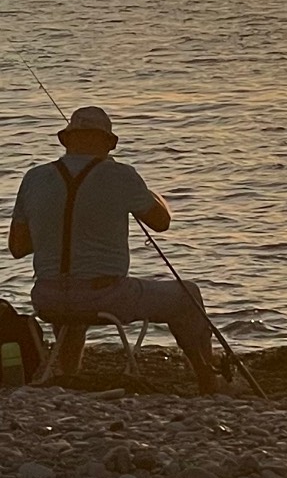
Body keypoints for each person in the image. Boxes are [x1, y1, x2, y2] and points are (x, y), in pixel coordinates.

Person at [8, 105, 220, 394]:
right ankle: (207, 378)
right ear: (108, 143)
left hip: (48, 300)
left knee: (67, 285)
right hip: (104, 298)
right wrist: (149, 194)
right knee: (188, 294)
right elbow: (161, 222)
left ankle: (68, 372)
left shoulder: (33, 177)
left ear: (67, 140)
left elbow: (18, 248)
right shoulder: (121, 175)